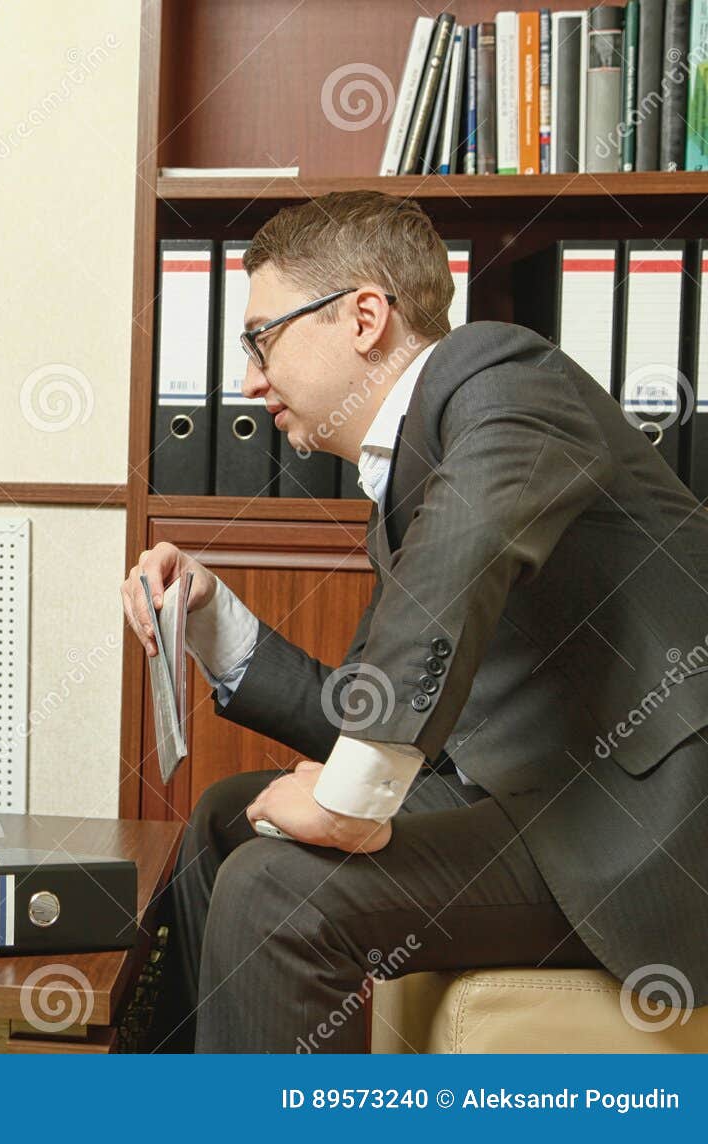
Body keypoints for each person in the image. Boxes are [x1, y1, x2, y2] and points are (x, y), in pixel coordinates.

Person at [121, 190, 708, 1052]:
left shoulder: (507, 378)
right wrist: (213, 617)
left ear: (364, 316)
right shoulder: (406, 481)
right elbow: (363, 709)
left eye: (261, 337)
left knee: (278, 892)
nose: (246, 379)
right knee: (223, 816)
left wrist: (348, 800)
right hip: (525, 793)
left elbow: (456, 568)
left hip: (637, 828)